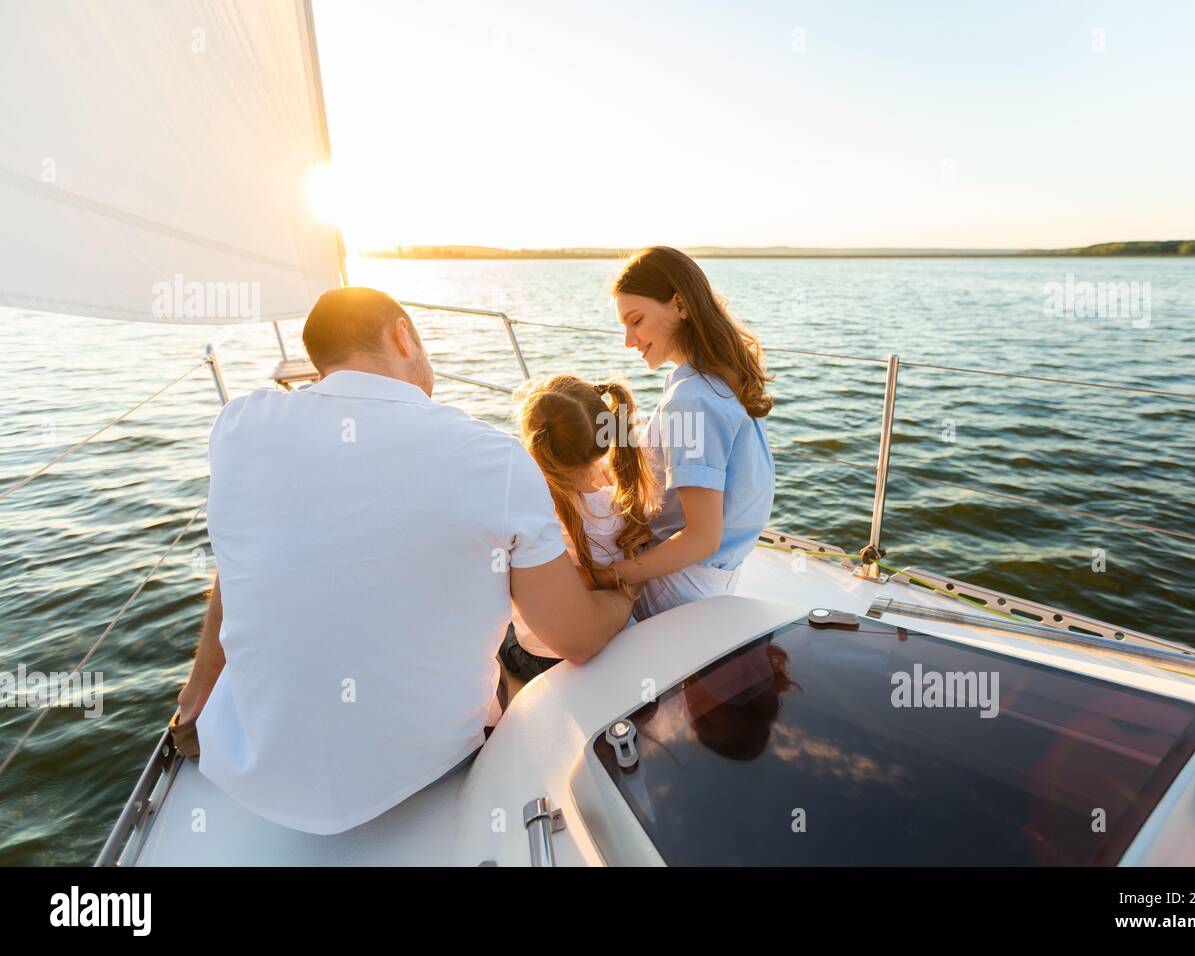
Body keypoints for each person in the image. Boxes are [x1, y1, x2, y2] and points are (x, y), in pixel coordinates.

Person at [170, 287, 633, 835]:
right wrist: (623, 591)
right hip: (430, 771)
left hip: (243, 772)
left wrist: (199, 688)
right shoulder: (493, 457)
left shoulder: (239, 426)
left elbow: (237, 554)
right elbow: (572, 638)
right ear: (402, 334)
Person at [600, 246, 776, 618]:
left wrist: (608, 576)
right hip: (710, 582)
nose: (629, 341)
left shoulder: (692, 397)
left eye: (636, 320)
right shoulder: (720, 378)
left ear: (680, 305)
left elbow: (701, 536)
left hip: (674, 588)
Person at [499, 374, 658, 681]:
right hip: (621, 631)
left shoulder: (531, 507)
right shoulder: (621, 496)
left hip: (541, 658)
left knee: (504, 628)